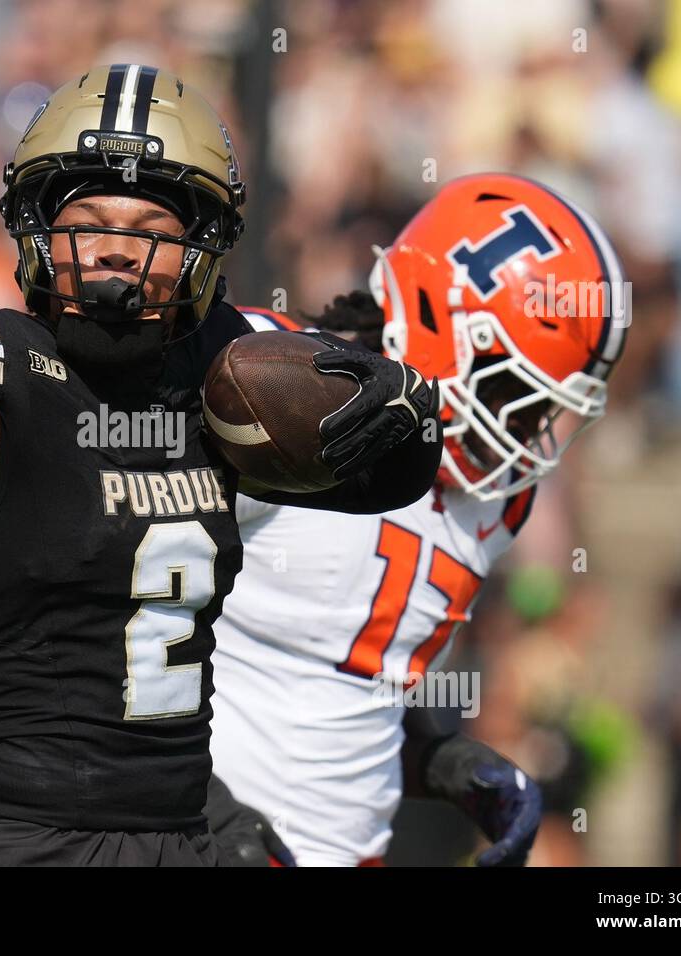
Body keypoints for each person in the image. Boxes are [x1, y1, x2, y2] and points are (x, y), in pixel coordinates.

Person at [0, 64, 441, 866]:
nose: (116, 252)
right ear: (36, 228)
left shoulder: (224, 376)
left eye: (151, 227)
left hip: (185, 835)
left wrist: (400, 402)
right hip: (13, 840)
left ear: (201, 250)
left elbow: (390, 477)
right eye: (91, 220)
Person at [208, 173, 628, 866]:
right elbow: (96, 622)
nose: (521, 436)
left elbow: (340, 696)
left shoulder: (497, 499)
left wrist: (439, 760)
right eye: (510, 395)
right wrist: (195, 805)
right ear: (436, 325)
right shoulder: (271, 385)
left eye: (539, 415)